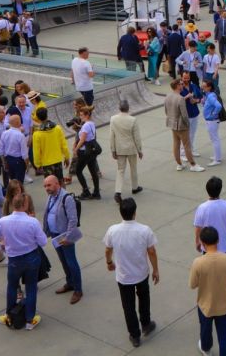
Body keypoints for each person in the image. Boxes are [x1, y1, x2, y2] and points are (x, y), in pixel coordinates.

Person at [104, 197, 159, 348]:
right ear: (135, 212)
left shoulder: (113, 230)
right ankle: (146, 324)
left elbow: (108, 249)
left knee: (128, 306)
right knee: (144, 298)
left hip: (124, 277)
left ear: (120, 213)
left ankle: (135, 336)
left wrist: (109, 262)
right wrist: (155, 270)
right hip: (141, 274)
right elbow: (152, 252)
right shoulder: (144, 230)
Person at [0, 192, 47, 330]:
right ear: (25, 205)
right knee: (31, 288)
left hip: (14, 260)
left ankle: (9, 316)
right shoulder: (32, 222)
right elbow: (43, 242)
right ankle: (30, 320)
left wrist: (2, 237)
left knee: (12, 287)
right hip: (31, 257)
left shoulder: (3, 221)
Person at [189, 226, 226, 356]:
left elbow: (192, 284)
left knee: (205, 330)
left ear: (202, 243)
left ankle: (206, 348)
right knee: (224, 336)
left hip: (206, 306)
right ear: (218, 240)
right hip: (225, 305)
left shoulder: (198, 262)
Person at [43, 174, 84, 304]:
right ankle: (70, 283)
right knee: (63, 261)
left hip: (65, 236)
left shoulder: (67, 198)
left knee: (71, 262)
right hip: (55, 236)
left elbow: (73, 220)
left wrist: (68, 237)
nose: (46, 188)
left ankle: (78, 290)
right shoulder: (50, 197)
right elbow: (47, 214)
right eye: (45, 186)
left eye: (49, 185)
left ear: (57, 184)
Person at [193, 176, 226, 254]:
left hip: (208, 247)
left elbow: (198, 228)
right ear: (220, 190)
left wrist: (197, 241)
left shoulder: (202, 208)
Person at [110, 99, 144, 202]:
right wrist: (139, 150)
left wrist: (113, 150)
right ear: (128, 108)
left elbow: (112, 136)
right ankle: (135, 187)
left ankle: (118, 192)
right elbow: (137, 137)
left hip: (120, 149)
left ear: (119, 108)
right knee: (133, 168)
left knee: (120, 170)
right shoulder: (133, 120)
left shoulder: (113, 119)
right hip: (131, 149)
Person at [71, 105, 102, 199]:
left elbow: (82, 140)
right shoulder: (91, 123)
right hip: (91, 151)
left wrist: (76, 149)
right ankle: (96, 192)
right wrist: (79, 126)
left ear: (87, 115)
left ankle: (86, 191)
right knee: (93, 171)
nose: (80, 117)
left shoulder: (85, 126)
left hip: (84, 152)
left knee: (78, 171)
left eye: (81, 115)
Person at [32, 107, 70, 182]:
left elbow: (36, 152)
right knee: (60, 181)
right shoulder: (57, 128)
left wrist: (37, 164)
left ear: (38, 118)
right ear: (47, 115)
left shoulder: (37, 134)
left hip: (46, 164)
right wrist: (67, 157)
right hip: (58, 160)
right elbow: (63, 145)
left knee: (50, 183)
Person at [0, 112, 29, 185]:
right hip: (18, 161)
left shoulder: (4, 133)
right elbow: (24, 154)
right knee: (19, 183)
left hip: (8, 159)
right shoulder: (20, 135)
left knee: (13, 181)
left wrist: (4, 163)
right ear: (18, 122)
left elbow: (1, 151)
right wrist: (27, 165)